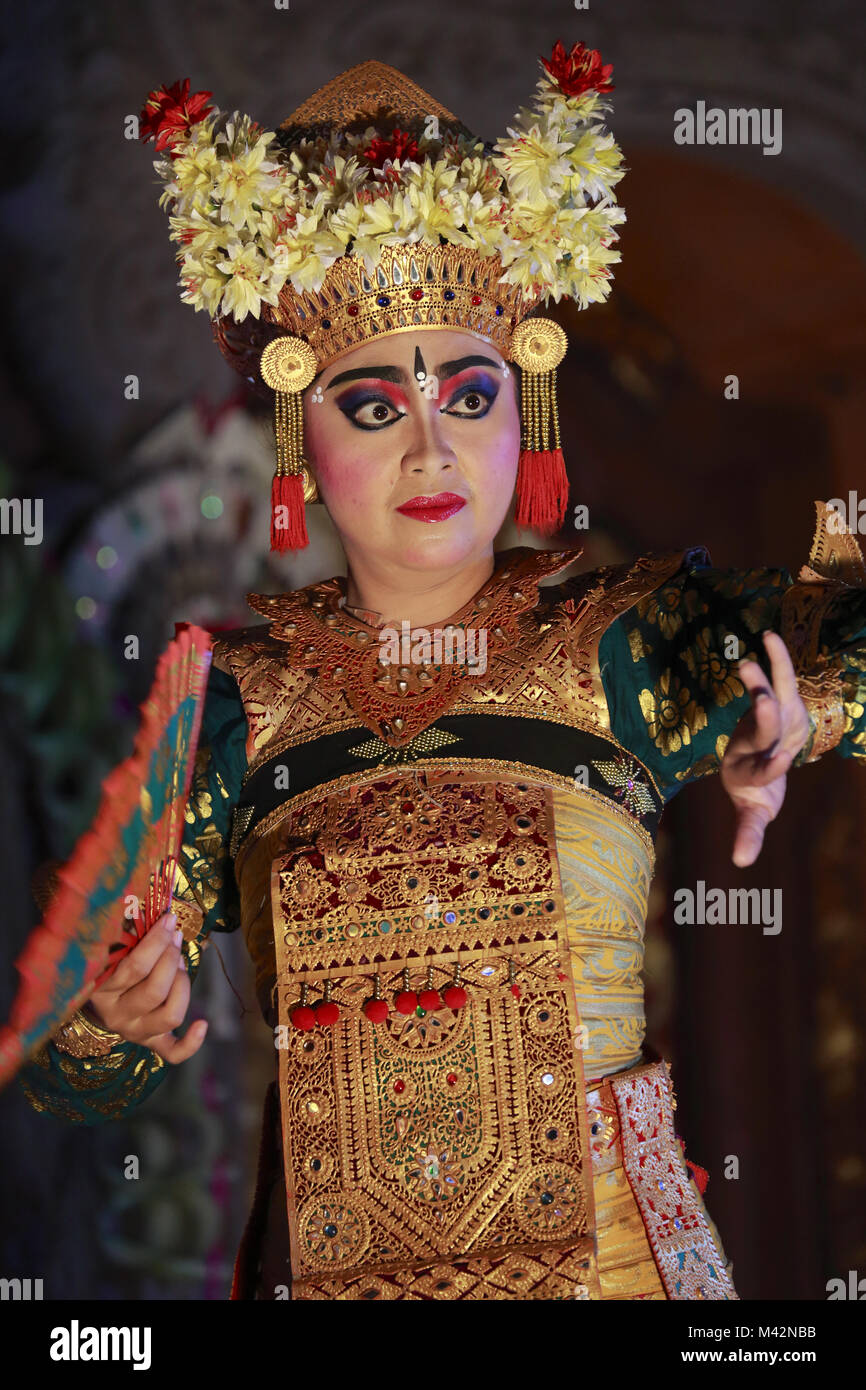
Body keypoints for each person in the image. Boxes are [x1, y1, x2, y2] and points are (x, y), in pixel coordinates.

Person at [18, 44, 866, 1300]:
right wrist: (113, 1019)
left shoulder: (622, 649)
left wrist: (804, 715)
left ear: (520, 407)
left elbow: (844, 640)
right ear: (298, 427)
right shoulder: (235, 710)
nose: (432, 447)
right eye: (374, 409)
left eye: (468, 394)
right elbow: (72, 1064)